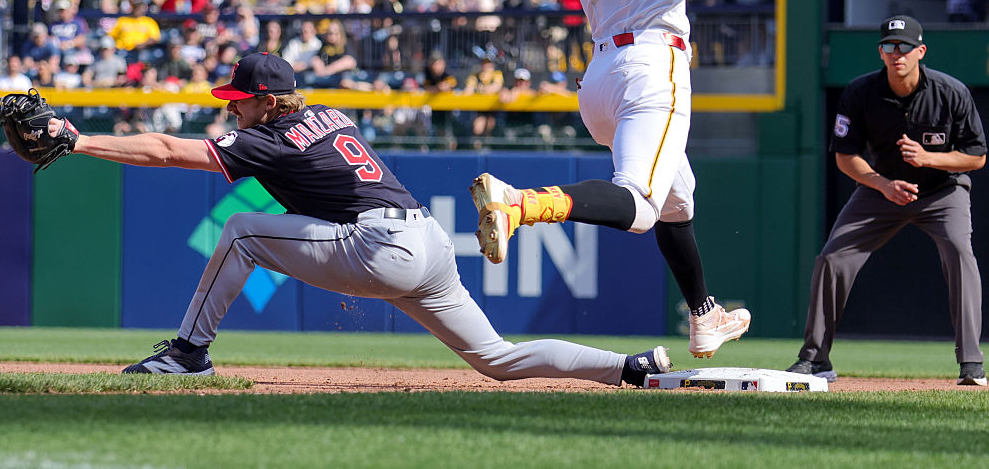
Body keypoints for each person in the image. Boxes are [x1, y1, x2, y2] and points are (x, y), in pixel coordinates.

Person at [45, 51, 670, 385]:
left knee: (239, 229)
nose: (233, 111)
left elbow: (163, 150)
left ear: (267, 102)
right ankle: (628, 369)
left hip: (378, 245)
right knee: (497, 358)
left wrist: (75, 139)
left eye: (240, 102)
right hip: (426, 240)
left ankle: (188, 353)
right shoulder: (331, 117)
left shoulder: (273, 135)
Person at [473, 0, 785, 358]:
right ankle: (519, 204)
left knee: (677, 200)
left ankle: (704, 315)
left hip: (599, 79)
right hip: (652, 66)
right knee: (640, 206)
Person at [788, 16, 987, 386]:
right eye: (890, 46)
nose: (898, 53)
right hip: (882, 189)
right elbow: (845, 156)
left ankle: (971, 364)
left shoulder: (950, 91)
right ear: (881, 51)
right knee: (833, 258)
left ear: (920, 51)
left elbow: (976, 156)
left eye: (905, 46)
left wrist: (929, 159)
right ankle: (815, 359)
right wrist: (882, 184)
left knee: (961, 253)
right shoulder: (861, 92)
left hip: (942, 191)